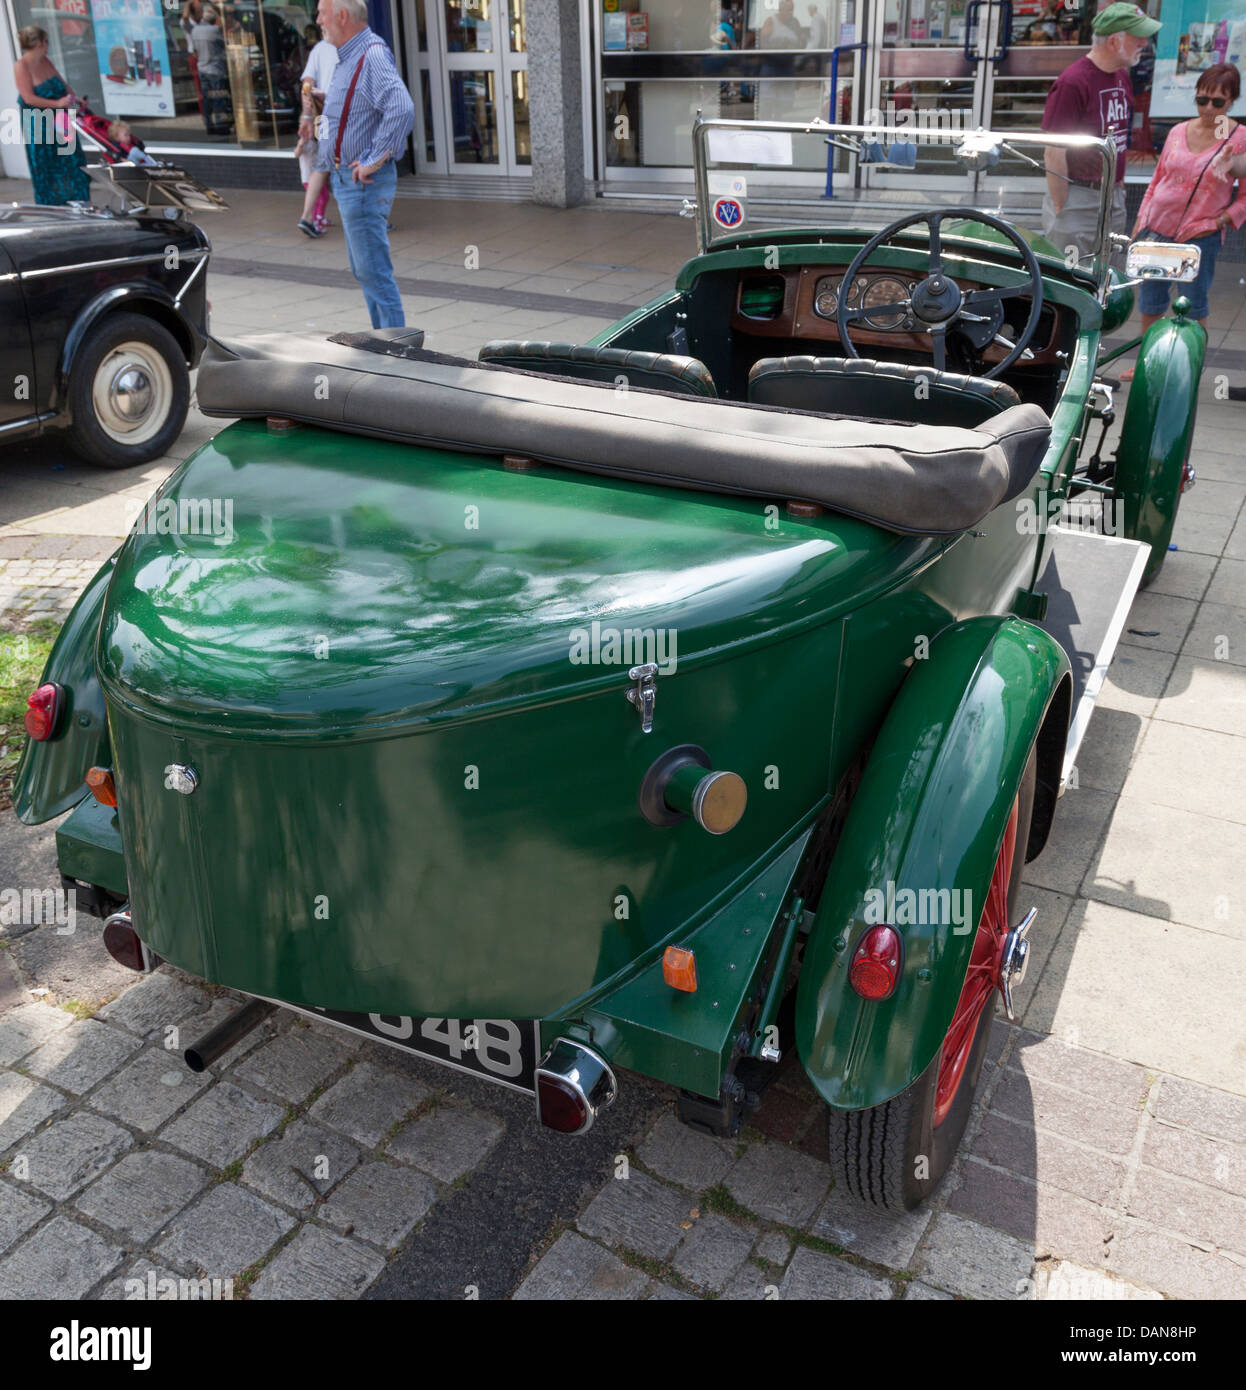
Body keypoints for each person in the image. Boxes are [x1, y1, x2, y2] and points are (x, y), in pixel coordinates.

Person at [1119, 63, 1246, 379]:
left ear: (1232, 101)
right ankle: (1148, 363)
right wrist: (1140, 219)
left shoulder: (1238, 138)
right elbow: (1157, 179)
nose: (1208, 108)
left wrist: (1220, 221)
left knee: (1193, 303)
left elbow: (1244, 197)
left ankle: (1189, 369)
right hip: (1156, 229)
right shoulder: (1178, 131)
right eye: (1202, 99)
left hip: (1200, 235)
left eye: (1217, 102)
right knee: (1150, 301)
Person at [310, 0, 414, 328]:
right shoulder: (350, 55)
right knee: (365, 271)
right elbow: (365, 105)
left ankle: (396, 349)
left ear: (342, 16)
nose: (318, 20)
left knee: (373, 272)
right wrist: (329, 102)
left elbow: (401, 108)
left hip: (362, 183)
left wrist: (373, 159)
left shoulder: (371, 54)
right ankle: (385, 342)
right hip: (349, 181)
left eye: (322, 13)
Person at [1040, 3, 1161, 264]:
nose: (1144, 43)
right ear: (1114, 42)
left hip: (1112, 196)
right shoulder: (1073, 82)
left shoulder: (1121, 76)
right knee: (1070, 277)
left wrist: (1118, 187)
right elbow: (1054, 151)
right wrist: (1062, 205)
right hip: (1079, 196)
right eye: (1138, 37)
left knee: (1106, 274)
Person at [13, 26, 91, 206]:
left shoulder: (45, 61)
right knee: (48, 169)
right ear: (39, 43)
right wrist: (57, 104)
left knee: (73, 163)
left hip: (61, 121)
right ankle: (54, 209)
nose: (48, 45)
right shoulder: (21, 66)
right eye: (46, 41)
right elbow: (28, 98)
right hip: (40, 125)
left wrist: (75, 100)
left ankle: (81, 204)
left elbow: (64, 86)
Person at [295, 24, 338, 236]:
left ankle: (308, 215)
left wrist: (307, 116)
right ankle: (372, 218)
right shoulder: (349, 46)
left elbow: (307, 85)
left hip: (322, 116)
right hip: (341, 115)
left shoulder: (318, 49)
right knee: (349, 161)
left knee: (323, 164)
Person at [190, 6, 231, 137]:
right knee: (218, 98)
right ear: (213, 20)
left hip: (202, 68)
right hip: (215, 69)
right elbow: (226, 43)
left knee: (207, 99)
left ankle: (209, 125)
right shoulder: (214, 30)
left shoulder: (195, 30)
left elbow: (194, 49)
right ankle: (221, 126)